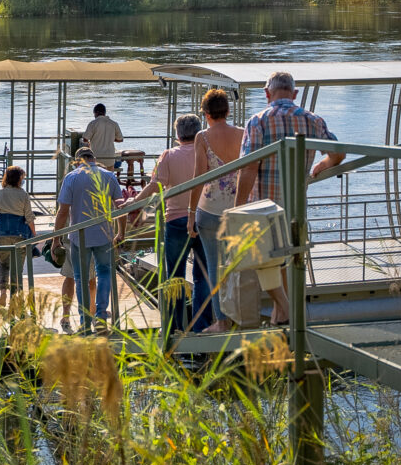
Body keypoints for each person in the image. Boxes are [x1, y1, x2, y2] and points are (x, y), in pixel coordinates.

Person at [236, 71, 345, 324]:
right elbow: (338, 153)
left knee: (266, 262)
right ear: (294, 94)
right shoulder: (312, 120)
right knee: (289, 259)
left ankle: (287, 311)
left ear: (267, 93)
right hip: (296, 206)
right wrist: (322, 165)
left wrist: (238, 207)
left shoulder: (258, 121)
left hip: (264, 206)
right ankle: (281, 317)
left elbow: (249, 167)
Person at [136, 114, 205, 335]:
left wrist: (134, 202)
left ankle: (174, 327)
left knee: (174, 276)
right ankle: (201, 326)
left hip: (175, 220)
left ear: (177, 134)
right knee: (202, 275)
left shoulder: (168, 155)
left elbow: (155, 187)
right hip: (202, 219)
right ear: (199, 131)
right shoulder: (204, 153)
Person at [187, 88, 241, 333]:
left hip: (209, 211)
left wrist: (190, 214)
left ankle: (221, 321)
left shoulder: (202, 137)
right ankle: (242, 315)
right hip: (239, 209)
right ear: (228, 111)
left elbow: (199, 176)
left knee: (214, 266)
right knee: (238, 266)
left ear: (205, 113)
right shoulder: (243, 134)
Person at [54, 146, 123, 330]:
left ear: (77, 161)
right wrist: (121, 232)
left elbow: (63, 212)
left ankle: (85, 321)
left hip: (79, 236)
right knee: (105, 273)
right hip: (104, 234)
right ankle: (100, 316)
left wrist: (55, 239)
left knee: (80, 277)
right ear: (94, 158)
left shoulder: (72, 177)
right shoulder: (109, 176)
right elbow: (120, 206)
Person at [0, 165, 36, 309]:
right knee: (17, 269)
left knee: (4, 265)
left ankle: (3, 291)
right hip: (20, 235)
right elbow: (29, 218)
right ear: (19, 180)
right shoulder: (23, 195)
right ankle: (15, 300)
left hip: (2, 234)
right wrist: (34, 234)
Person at [82, 103, 123, 170]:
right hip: (110, 158)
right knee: (108, 178)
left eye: (94, 114)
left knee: (96, 179)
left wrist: (92, 140)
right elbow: (120, 139)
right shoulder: (113, 123)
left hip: (96, 158)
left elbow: (85, 139)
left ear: (96, 112)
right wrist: (111, 138)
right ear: (104, 112)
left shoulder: (93, 123)